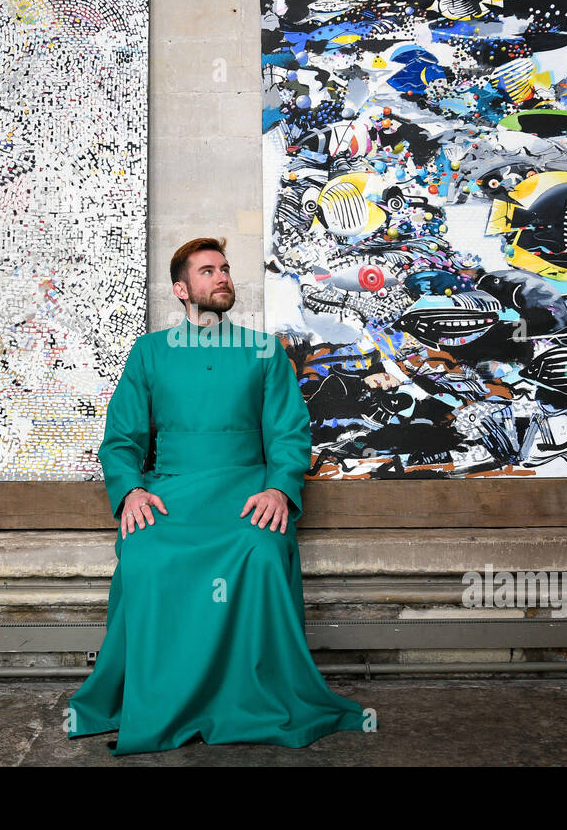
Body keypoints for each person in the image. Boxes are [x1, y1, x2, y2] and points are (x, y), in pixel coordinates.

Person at [66, 236, 368, 756]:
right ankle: (162, 700)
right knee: (145, 555)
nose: (222, 277)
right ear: (182, 289)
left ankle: (251, 698)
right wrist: (132, 490)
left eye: (225, 269)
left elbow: (289, 434)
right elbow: (121, 439)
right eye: (208, 271)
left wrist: (279, 488)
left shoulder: (265, 351)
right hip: (172, 496)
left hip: (245, 496)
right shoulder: (149, 353)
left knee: (263, 550)